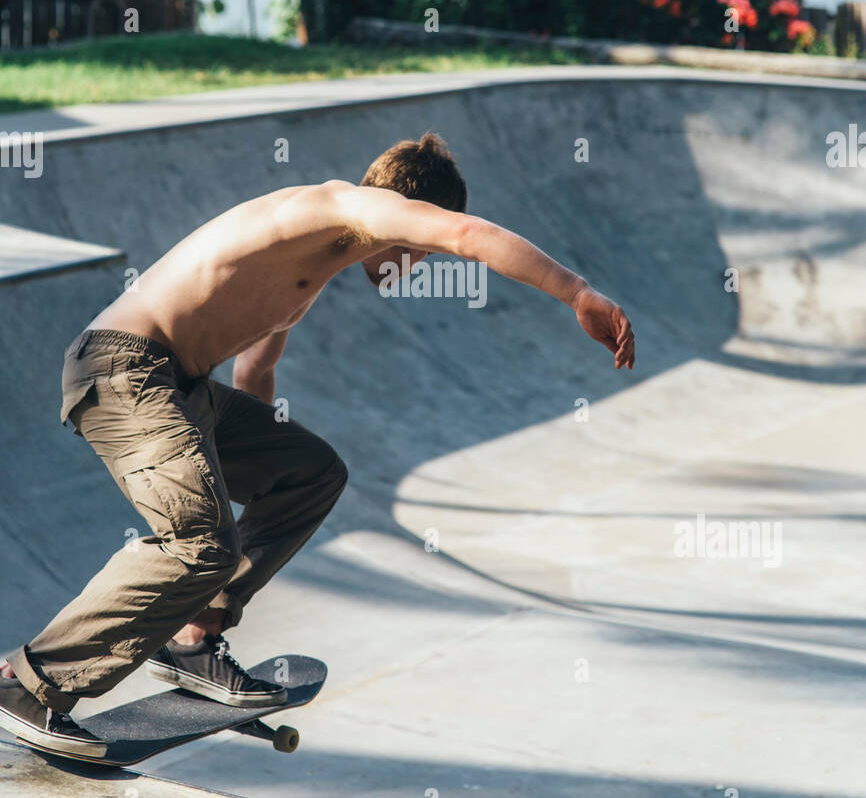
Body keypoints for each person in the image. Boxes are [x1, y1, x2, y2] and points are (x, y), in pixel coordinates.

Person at [0, 132, 634, 758]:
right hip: (123, 372)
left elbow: (253, 378)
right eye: (422, 253)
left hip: (180, 386)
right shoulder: (347, 207)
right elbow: (470, 237)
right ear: (413, 223)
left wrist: (253, 459)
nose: (417, 268)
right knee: (201, 542)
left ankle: (195, 632)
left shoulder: (305, 274)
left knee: (312, 472)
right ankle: (29, 682)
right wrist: (577, 292)